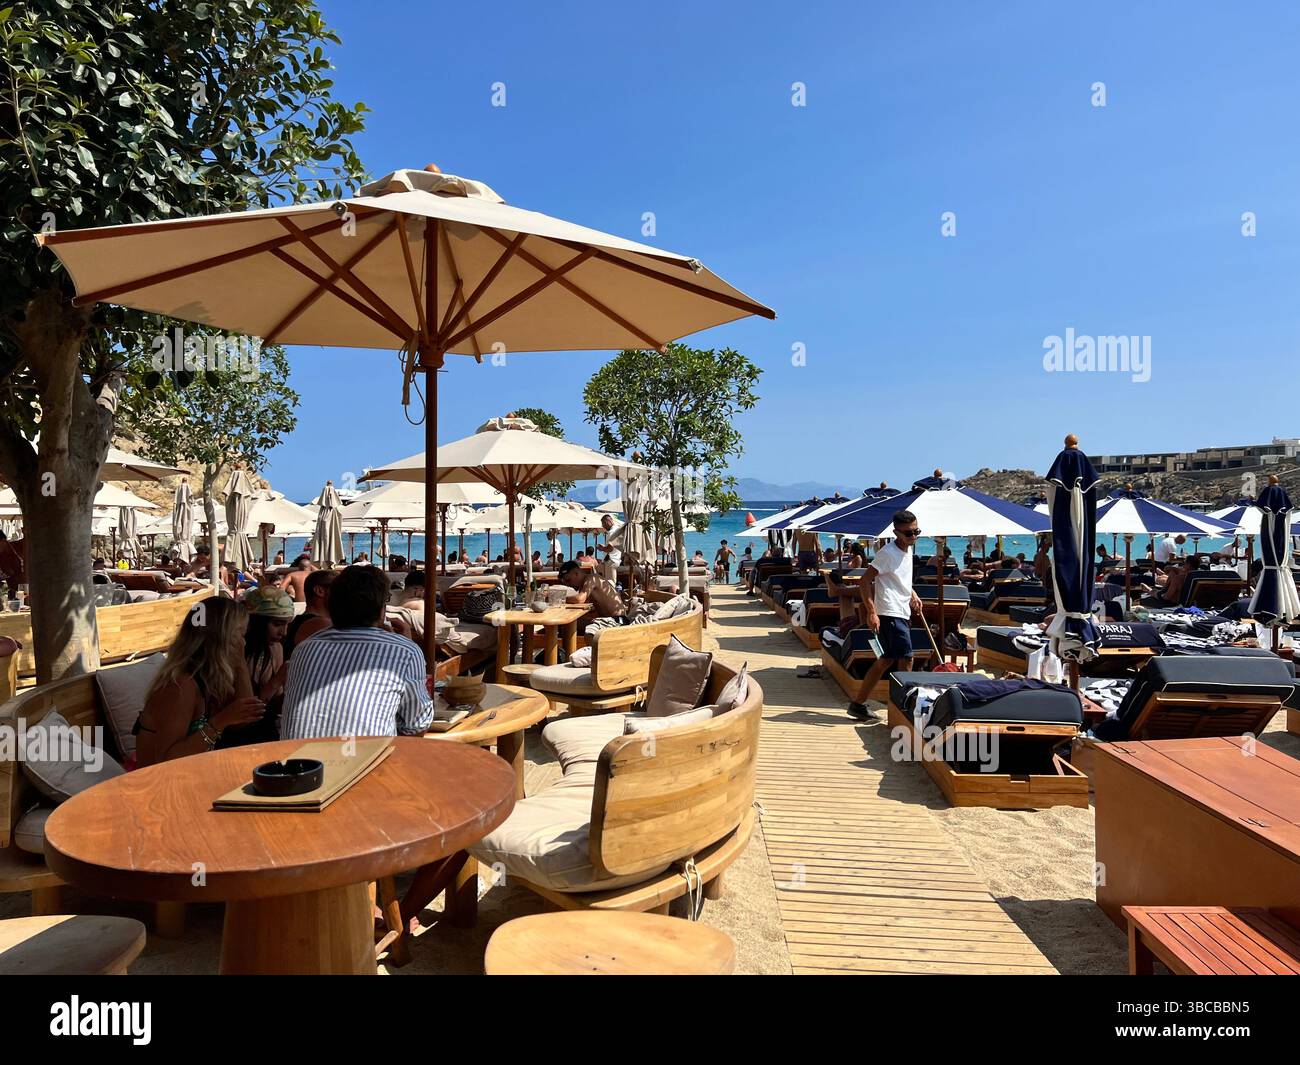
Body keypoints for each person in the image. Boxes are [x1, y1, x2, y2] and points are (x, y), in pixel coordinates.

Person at [280, 565, 435, 739]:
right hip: (361, 762)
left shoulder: (304, 649)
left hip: (298, 761)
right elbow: (417, 727)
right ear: (381, 608)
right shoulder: (405, 652)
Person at [134, 597, 266, 767]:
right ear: (221, 638)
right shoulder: (181, 685)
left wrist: (240, 664)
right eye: (240, 635)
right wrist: (220, 722)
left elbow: (246, 718)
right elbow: (167, 761)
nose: (243, 642)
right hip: (160, 784)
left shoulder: (207, 678)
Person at [851, 510, 924, 720]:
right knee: (907, 658)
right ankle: (903, 709)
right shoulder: (887, 553)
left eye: (916, 531)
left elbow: (898, 578)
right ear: (896, 532)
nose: (913, 537)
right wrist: (872, 612)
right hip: (890, 612)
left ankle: (857, 704)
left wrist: (913, 593)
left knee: (885, 660)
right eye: (908, 533)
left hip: (901, 609)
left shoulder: (907, 550)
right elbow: (864, 581)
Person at [284, 569, 336, 658]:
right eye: (338, 588)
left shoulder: (298, 622)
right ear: (320, 591)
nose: (343, 593)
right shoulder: (320, 625)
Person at [557, 558, 625, 622]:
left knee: (568, 626)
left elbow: (579, 599)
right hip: (611, 619)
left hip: (618, 621)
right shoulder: (584, 586)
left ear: (576, 573)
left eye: (568, 580)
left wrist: (558, 598)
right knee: (570, 623)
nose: (568, 584)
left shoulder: (591, 579)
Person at [594, 514, 622, 581]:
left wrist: (602, 548)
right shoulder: (617, 530)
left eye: (603, 523)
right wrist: (604, 547)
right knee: (610, 582)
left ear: (607, 521)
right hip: (616, 559)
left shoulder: (612, 532)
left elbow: (610, 548)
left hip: (611, 560)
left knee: (610, 583)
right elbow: (613, 546)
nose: (603, 526)